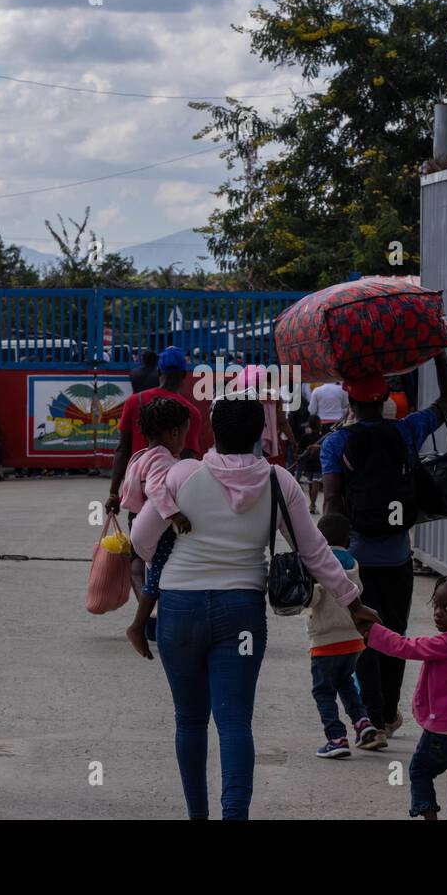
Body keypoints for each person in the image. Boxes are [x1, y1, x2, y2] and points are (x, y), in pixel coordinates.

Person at [131, 397, 380, 819]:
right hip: (241, 612)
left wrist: (169, 562)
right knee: (234, 723)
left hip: (180, 610)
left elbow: (140, 538)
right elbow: (314, 551)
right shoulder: (278, 481)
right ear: (260, 435)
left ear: (212, 432)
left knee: (189, 721)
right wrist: (353, 602)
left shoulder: (181, 474)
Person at [321, 353, 447, 742]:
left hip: (359, 557)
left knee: (365, 634)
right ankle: (386, 715)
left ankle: (371, 718)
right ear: (385, 398)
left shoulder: (336, 444)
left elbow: (332, 505)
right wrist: (440, 357)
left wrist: (332, 559)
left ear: (349, 402)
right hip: (398, 554)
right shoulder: (407, 431)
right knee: (395, 633)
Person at [360, 569, 447, 820]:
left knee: (420, 771)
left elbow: (404, 647)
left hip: (443, 730)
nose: (438, 612)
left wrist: (373, 631)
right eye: (437, 605)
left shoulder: (446, 644)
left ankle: (429, 815)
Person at [105, 346, 202, 598]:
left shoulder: (134, 402)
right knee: (170, 560)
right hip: (175, 502)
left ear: (158, 371)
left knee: (138, 560)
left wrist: (114, 492)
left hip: (139, 500)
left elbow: (122, 450)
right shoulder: (189, 413)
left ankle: (146, 616)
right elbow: (189, 461)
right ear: (184, 375)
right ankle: (161, 615)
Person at [121, 397, 193, 660]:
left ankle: (153, 625)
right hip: (153, 527)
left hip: (137, 520)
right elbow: (154, 488)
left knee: (152, 571)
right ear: (174, 433)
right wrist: (174, 514)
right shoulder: (163, 459)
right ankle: (138, 626)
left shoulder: (142, 455)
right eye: (185, 433)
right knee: (158, 576)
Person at [306, 513, 378, 758]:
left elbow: (314, 597)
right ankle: (363, 723)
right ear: (348, 539)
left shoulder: (319, 561)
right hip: (352, 640)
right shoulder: (351, 561)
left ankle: (336, 738)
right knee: (346, 683)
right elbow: (359, 591)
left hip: (326, 641)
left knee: (323, 691)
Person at [296, 414, 323, 514]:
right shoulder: (322, 437)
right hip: (318, 463)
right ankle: (312, 504)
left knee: (311, 483)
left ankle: (313, 505)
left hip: (308, 463)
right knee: (316, 482)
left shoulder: (305, 437)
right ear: (319, 425)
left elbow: (299, 449)